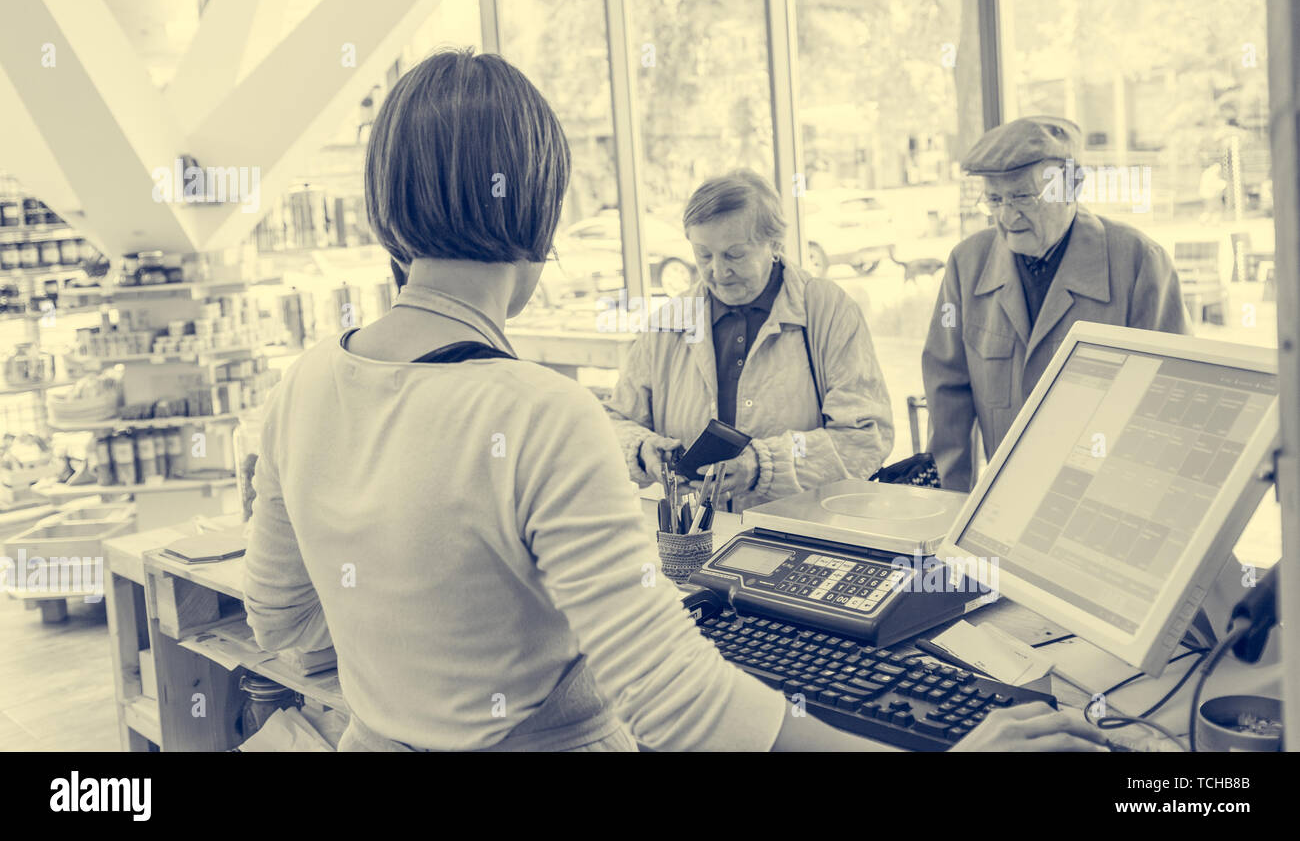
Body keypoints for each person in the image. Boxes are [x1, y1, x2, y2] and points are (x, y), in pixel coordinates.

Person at [244, 49, 1109, 752]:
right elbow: (678, 706)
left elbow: (281, 621)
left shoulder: (303, 386)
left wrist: (420, 687)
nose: (717, 270)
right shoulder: (540, 414)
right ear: (541, 210)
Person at [922, 116, 1189, 492]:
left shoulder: (1139, 262)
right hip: (1007, 502)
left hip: (1109, 502)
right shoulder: (967, 264)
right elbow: (947, 395)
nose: (1006, 216)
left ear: (1073, 185)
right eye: (995, 200)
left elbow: (1172, 403)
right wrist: (949, 511)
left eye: (1023, 198)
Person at [606, 169, 893, 511]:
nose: (717, 270)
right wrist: (641, 450)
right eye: (703, 255)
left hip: (799, 536)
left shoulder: (829, 311)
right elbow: (614, 422)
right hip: (696, 541)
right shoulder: (669, 321)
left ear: (774, 244)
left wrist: (762, 466)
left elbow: (864, 439)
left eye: (734, 255)